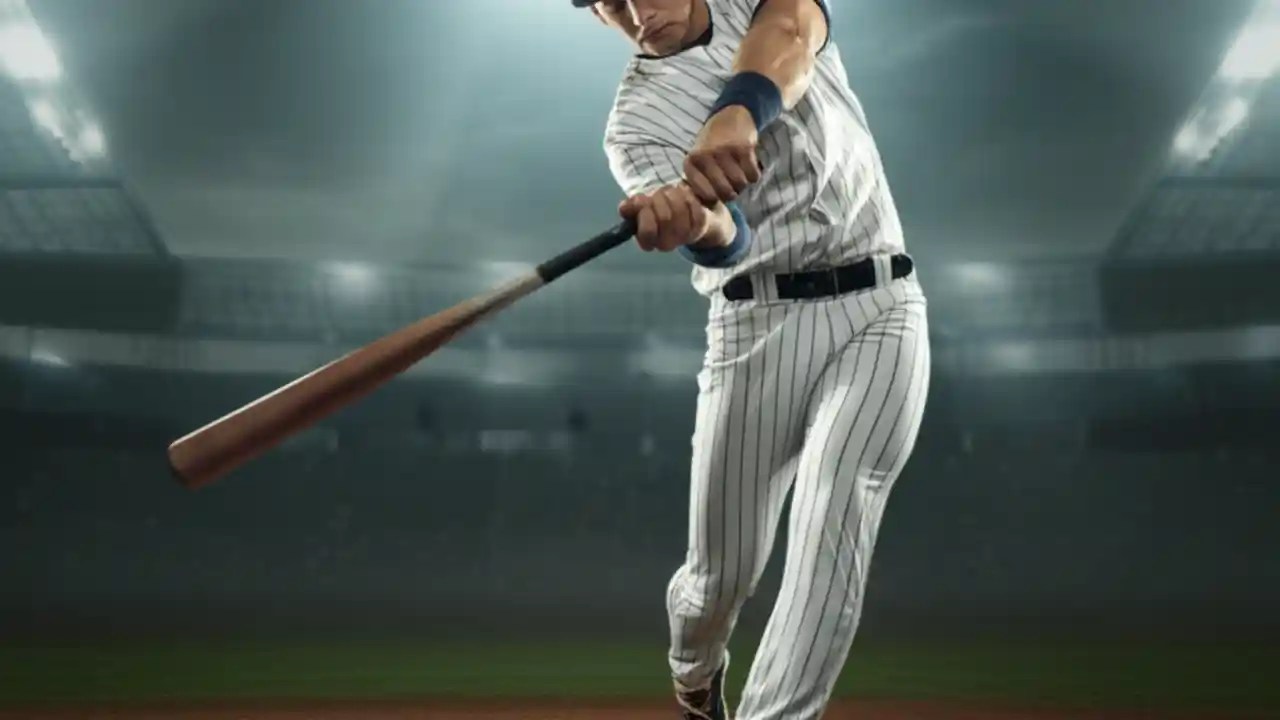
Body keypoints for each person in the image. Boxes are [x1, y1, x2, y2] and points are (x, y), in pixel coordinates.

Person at [575, 1, 931, 717]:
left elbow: (791, 31)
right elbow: (727, 238)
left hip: (882, 302)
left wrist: (735, 114)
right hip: (754, 323)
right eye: (610, 1)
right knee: (720, 578)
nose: (637, 11)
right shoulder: (634, 124)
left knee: (836, 512)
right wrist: (693, 223)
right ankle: (695, 668)